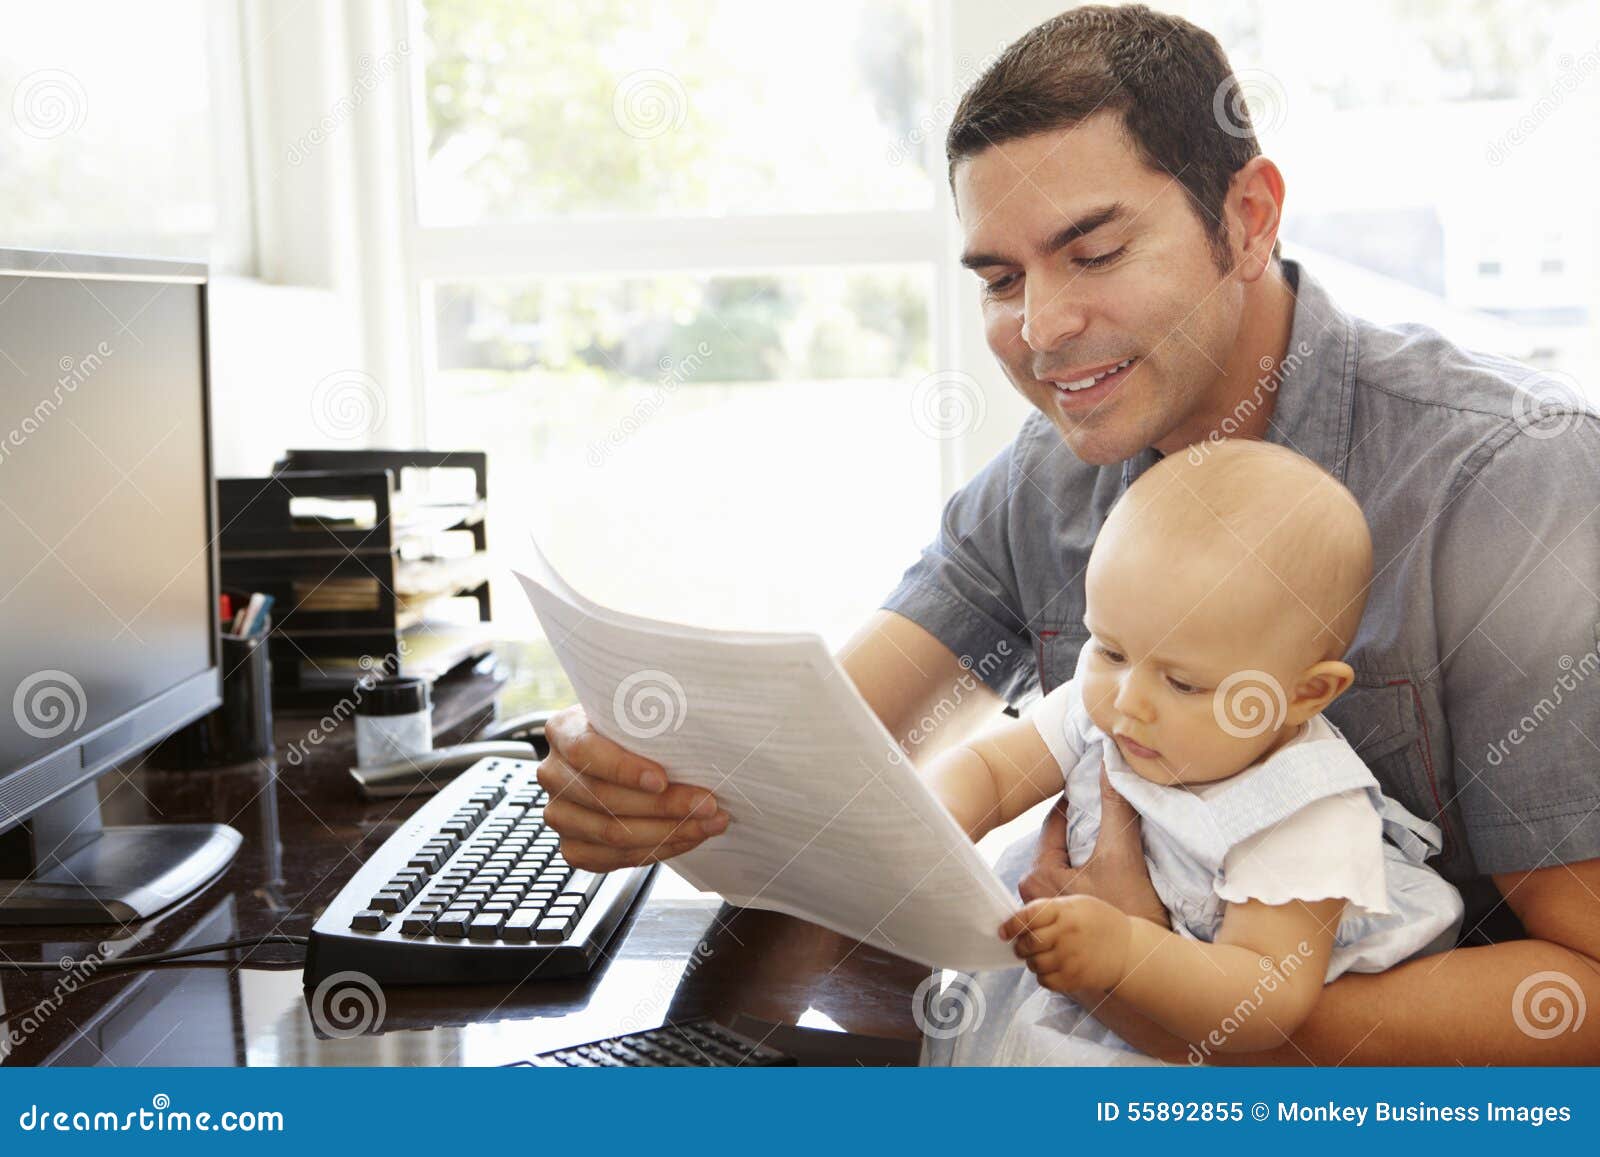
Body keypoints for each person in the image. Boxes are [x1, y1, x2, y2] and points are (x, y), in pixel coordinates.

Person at [537, 5, 1600, 1063]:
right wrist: (642, 773)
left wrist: (1178, 988)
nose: (1038, 330)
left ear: (1248, 216)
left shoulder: (1509, 481)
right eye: (1000, 279)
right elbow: (828, 763)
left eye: (1091, 252)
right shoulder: (1047, 480)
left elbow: (1587, 989)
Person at [922, 438, 1462, 1065]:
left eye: (1184, 684)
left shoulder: (1307, 816)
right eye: (1109, 649)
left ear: (1305, 693)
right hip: (1040, 1003)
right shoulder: (1108, 703)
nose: (1129, 701)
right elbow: (988, 771)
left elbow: (1265, 1001)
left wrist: (1126, 950)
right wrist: (928, 825)